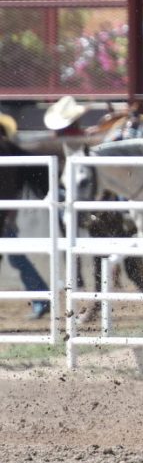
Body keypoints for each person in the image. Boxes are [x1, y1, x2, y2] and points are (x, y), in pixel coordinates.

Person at [0, 114, 50, 320]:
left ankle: (41, 297)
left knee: (16, 256)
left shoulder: (6, 151)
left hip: (5, 213)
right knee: (16, 256)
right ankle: (41, 297)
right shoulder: (8, 149)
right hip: (6, 212)